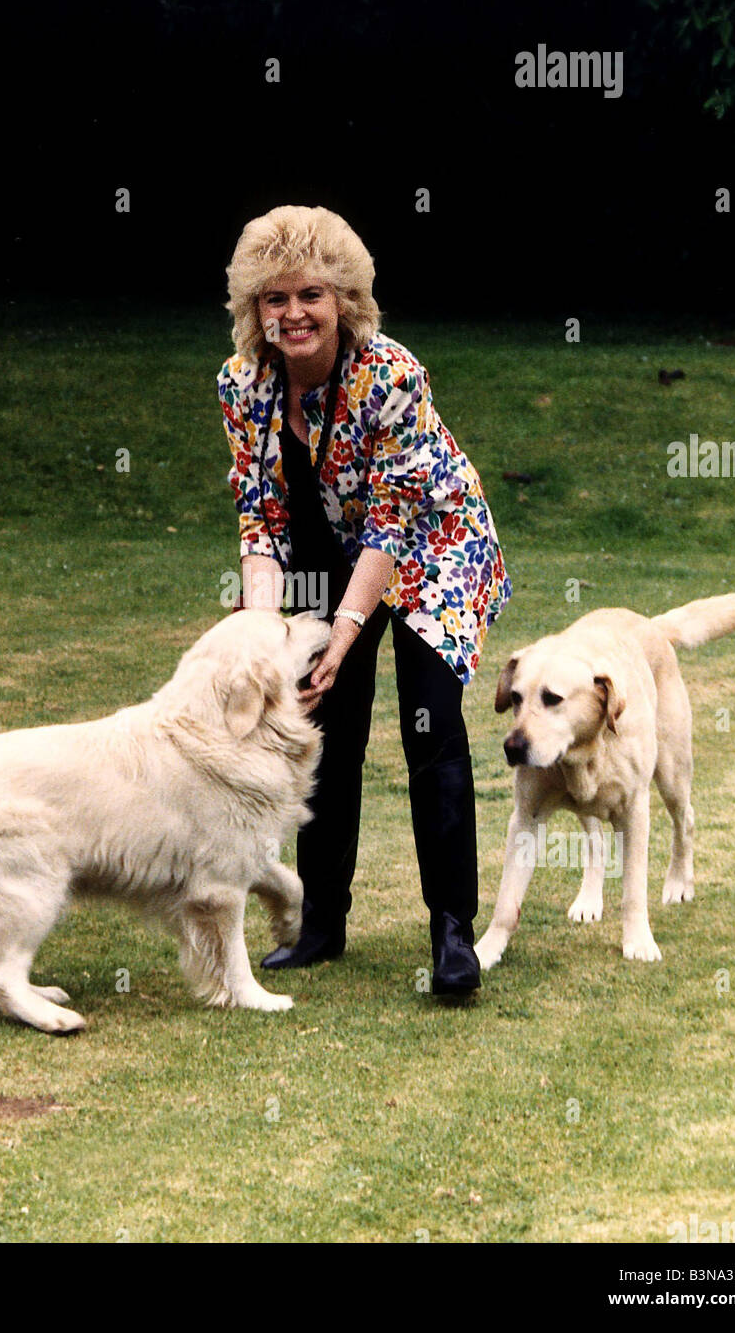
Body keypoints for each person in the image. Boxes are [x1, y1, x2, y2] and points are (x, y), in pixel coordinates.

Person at [219, 205, 510, 994]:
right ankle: (321, 923)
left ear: (343, 299)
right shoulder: (242, 385)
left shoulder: (391, 373)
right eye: (274, 299)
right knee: (323, 724)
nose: (292, 314)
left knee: (431, 725)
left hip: (429, 546)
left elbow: (391, 519)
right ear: (255, 308)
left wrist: (344, 635)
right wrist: (261, 636)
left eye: (309, 294)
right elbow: (262, 521)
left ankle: (453, 933)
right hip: (328, 545)